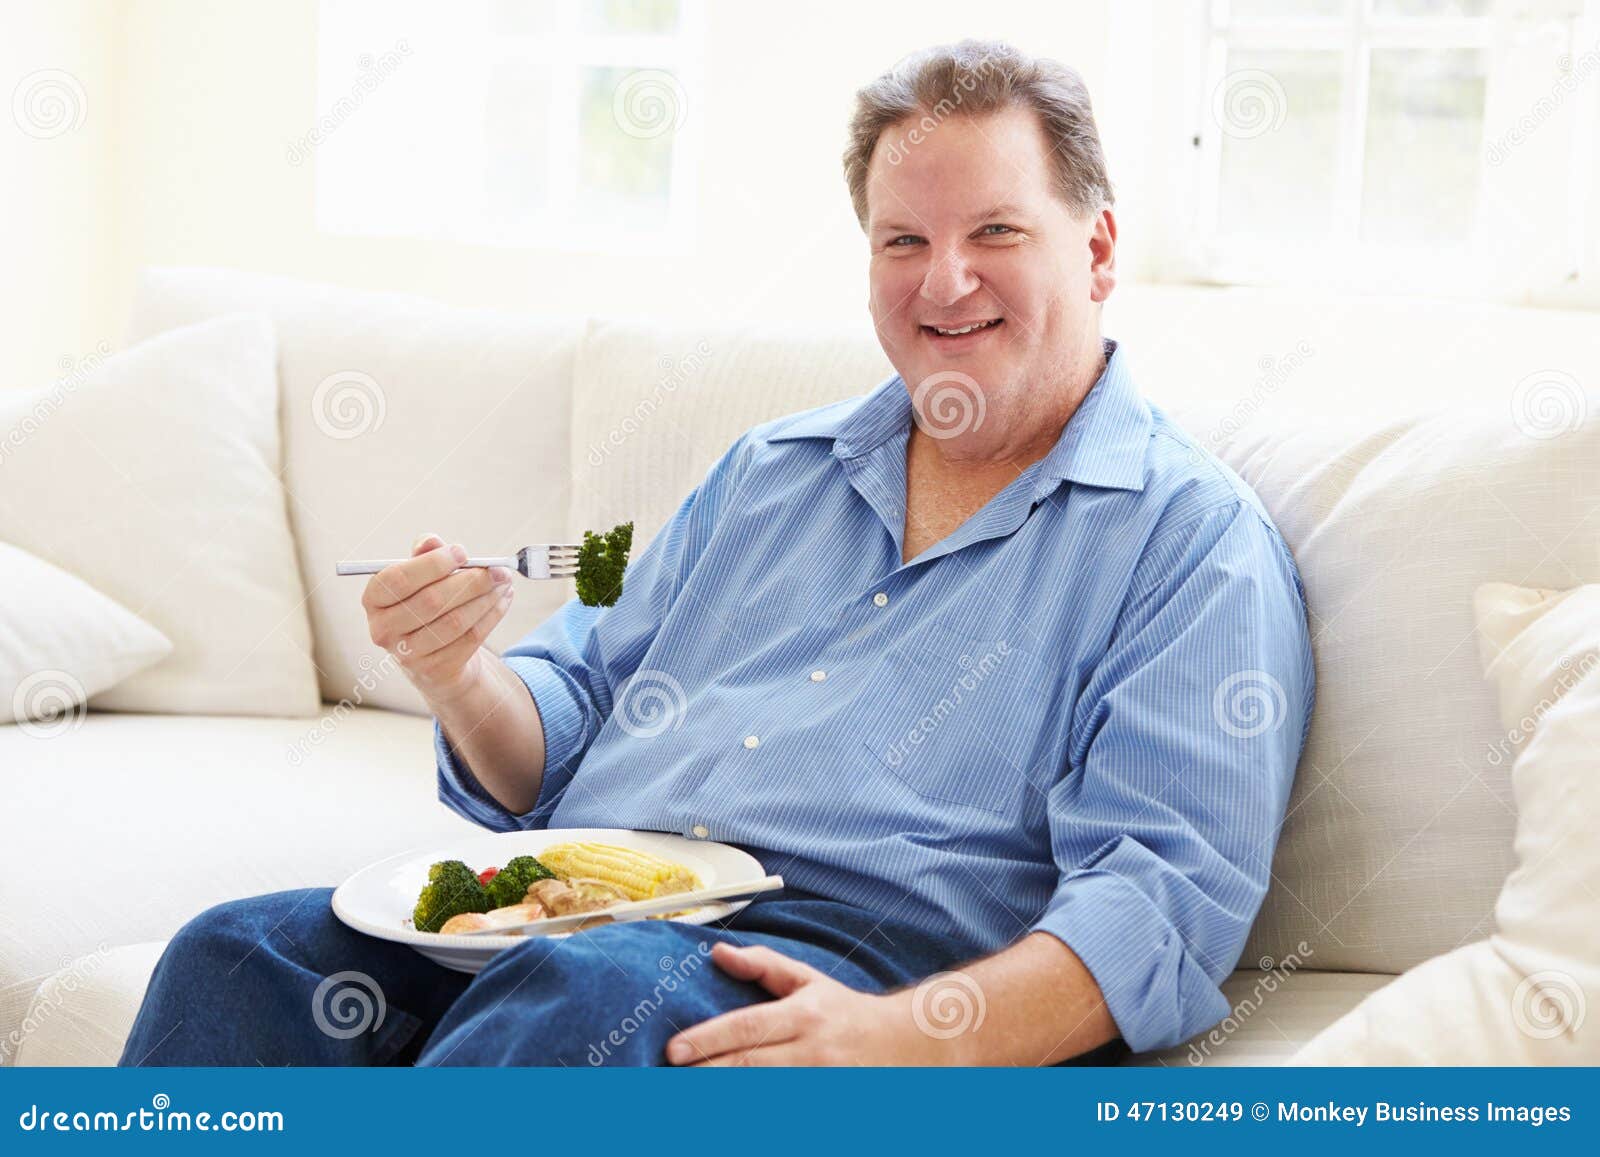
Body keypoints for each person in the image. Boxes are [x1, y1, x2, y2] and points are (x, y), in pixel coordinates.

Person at [121, 39, 1313, 1068]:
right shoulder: (767, 472)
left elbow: (1160, 901)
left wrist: (907, 1036)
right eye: (902, 239)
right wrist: (458, 672)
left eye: (994, 230)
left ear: (1097, 250)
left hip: (842, 967)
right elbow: (567, 716)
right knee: (238, 956)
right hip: (567, 903)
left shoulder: (1189, 543)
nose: (943, 280)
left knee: (574, 1003)